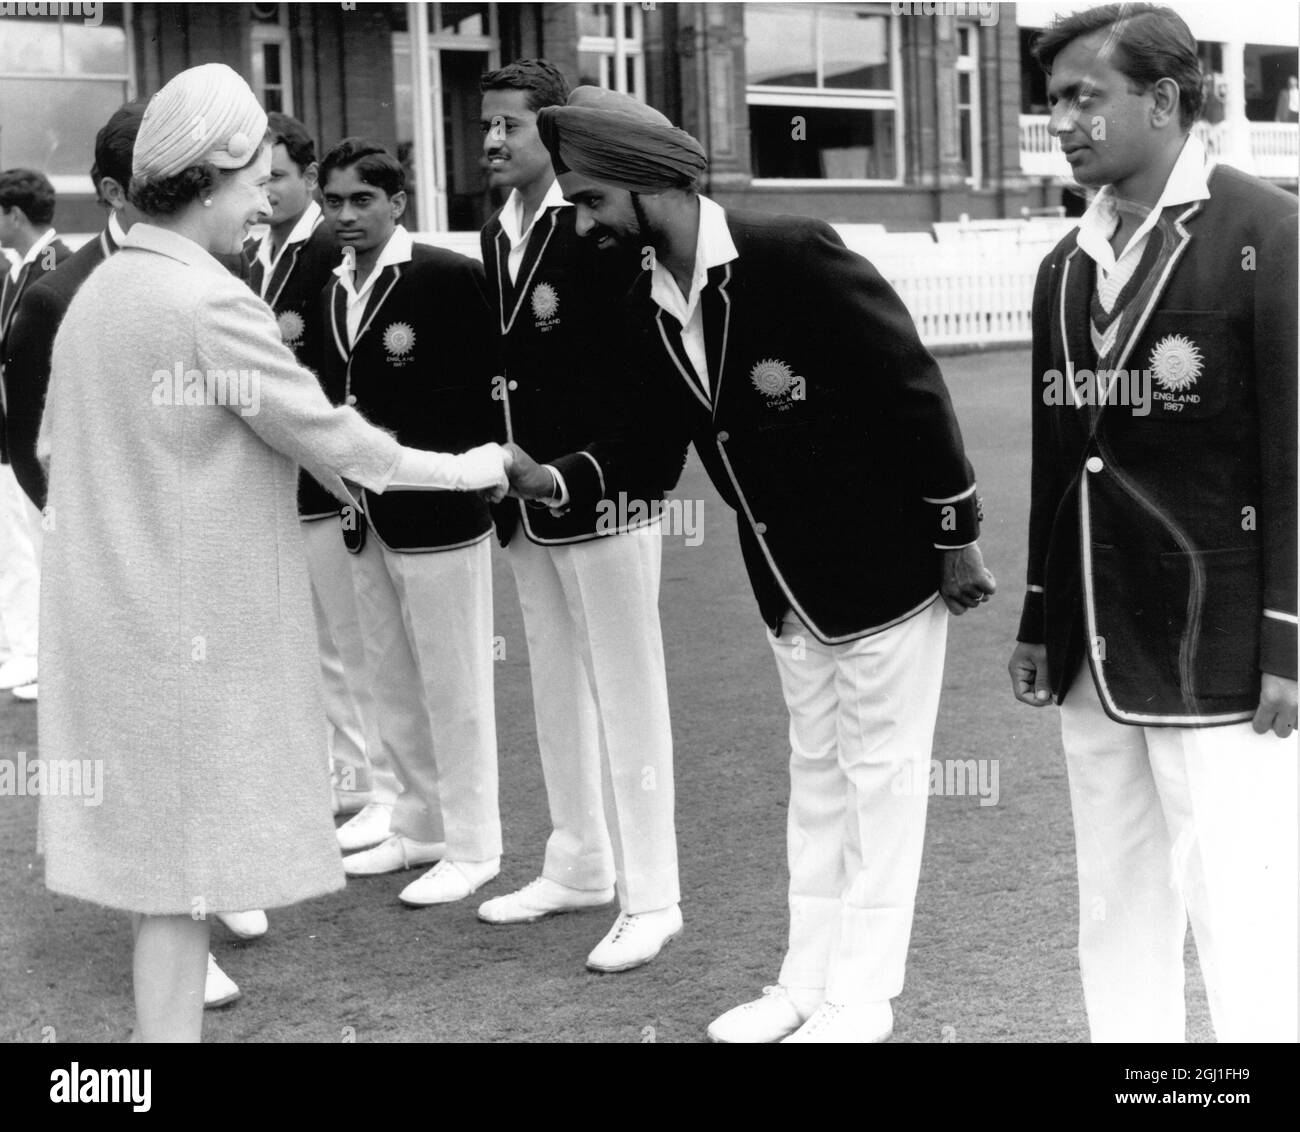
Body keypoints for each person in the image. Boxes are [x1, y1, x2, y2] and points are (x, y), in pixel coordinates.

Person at [37, 63, 510, 1042]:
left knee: (172, 894)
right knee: (179, 886)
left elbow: (60, 458)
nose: (265, 201)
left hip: (115, 626)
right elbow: (337, 441)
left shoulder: (102, 292)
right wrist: (471, 468)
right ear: (209, 175)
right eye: (255, 178)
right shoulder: (209, 301)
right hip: (193, 634)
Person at [530, 86, 996, 1041]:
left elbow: (911, 388)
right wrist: (555, 477)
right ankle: (802, 985)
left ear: (643, 184)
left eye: (588, 201)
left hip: (886, 571)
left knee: (880, 785)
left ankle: (862, 999)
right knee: (817, 784)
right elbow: (650, 446)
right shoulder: (647, 298)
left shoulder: (797, 256)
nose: (581, 222)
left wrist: (956, 537)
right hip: (783, 585)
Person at [1008, 4, 1297, 1043]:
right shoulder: (1063, 265)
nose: (1064, 124)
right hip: (1094, 637)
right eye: (1054, 104)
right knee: (1115, 903)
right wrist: (1042, 618)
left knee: (1243, 912)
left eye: (1086, 98)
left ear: (1165, 100)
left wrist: (1287, 638)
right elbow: (1060, 465)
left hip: (1220, 648)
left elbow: (1293, 455)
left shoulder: (1268, 231)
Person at [473, 60, 681, 973]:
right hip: (524, 506)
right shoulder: (496, 233)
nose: (491, 140)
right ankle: (579, 862)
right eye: (485, 124)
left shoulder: (599, 229)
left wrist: (571, 474)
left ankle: (654, 897)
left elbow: (643, 386)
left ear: (551, 135)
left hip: (605, 496)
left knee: (629, 702)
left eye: (511, 125)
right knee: (556, 689)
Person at [312, 139, 504, 908]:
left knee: (455, 689)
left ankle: (475, 845)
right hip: (363, 516)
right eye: (335, 202)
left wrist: (476, 476)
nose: (347, 216)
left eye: (363, 200)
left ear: (397, 202)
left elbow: (486, 391)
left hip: (441, 514)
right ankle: (420, 828)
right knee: (390, 683)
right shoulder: (333, 287)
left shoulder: (447, 276)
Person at [241, 112, 398, 848]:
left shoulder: (331, 249)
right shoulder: (256, 250)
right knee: (315, 646)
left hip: (330, 479)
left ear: (308, 178)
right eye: (254, 178)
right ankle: (347, 777)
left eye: (275, 176)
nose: (263, 190)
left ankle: (381, 790)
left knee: (354, 642)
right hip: (281, 478)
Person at [0, 168, 70, 699]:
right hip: (15, 438)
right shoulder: (16, 270)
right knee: (18, 551)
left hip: (41, 437)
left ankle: (44, 659)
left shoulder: (57, 266)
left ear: (14, 215)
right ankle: (26, 651)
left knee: (39, 554)